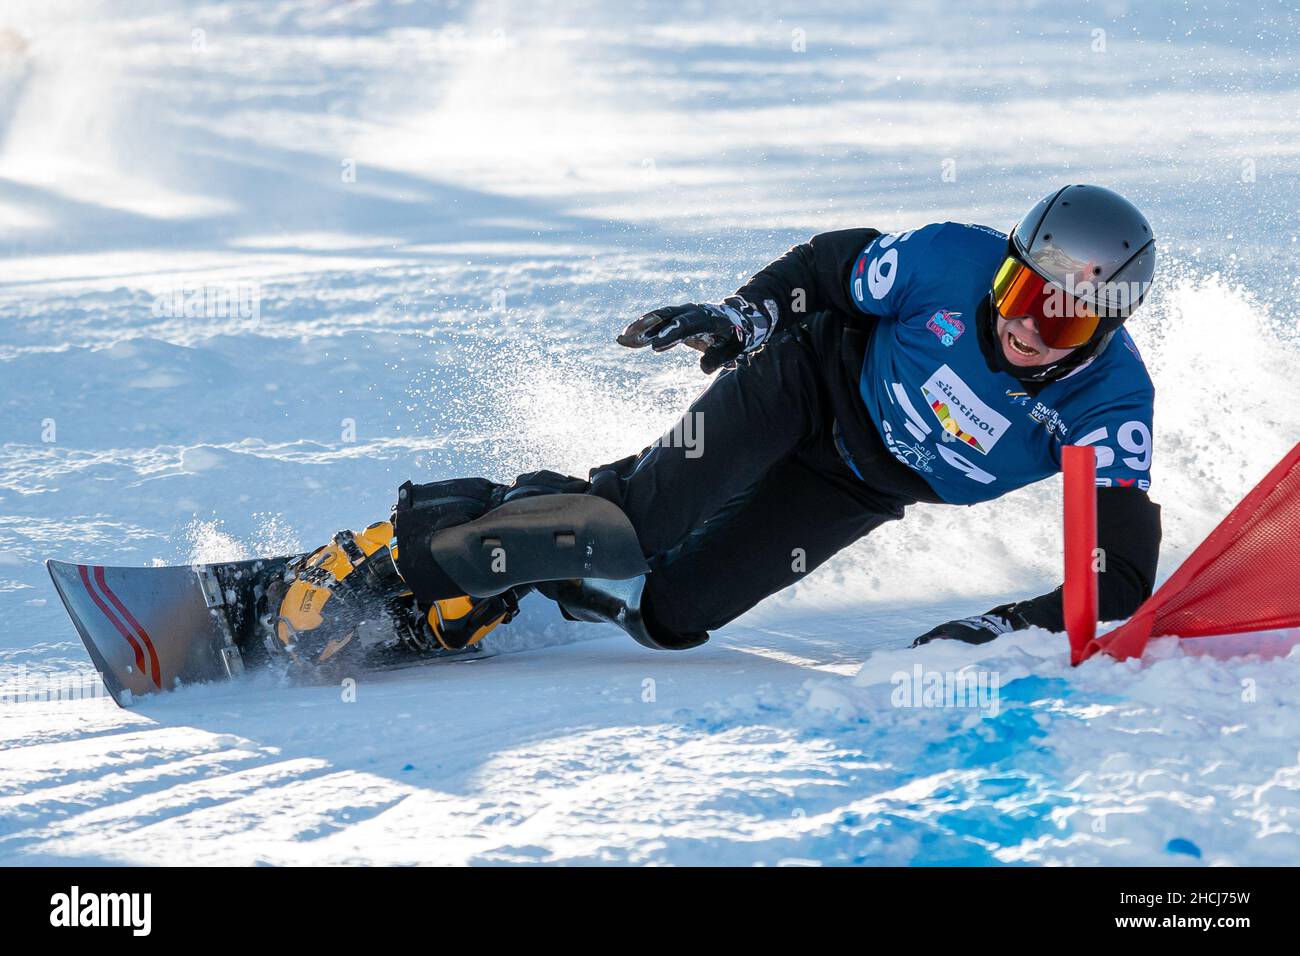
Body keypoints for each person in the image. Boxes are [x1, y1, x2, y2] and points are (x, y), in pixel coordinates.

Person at [274, 184, 1161, 662]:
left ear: (1106, 331)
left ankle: (503, 586)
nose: (1021, 326)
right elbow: (828, 265)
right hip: (805, 385)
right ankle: (407, 546)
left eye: (1060, 321)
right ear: (1001, 265)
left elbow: (1116, 575)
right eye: (1018, 293)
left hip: (857, 487)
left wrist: (998, 630)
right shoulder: (947, 261)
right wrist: (743, 320)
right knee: (629, 524)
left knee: (667, 613)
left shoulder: (1109, 407)